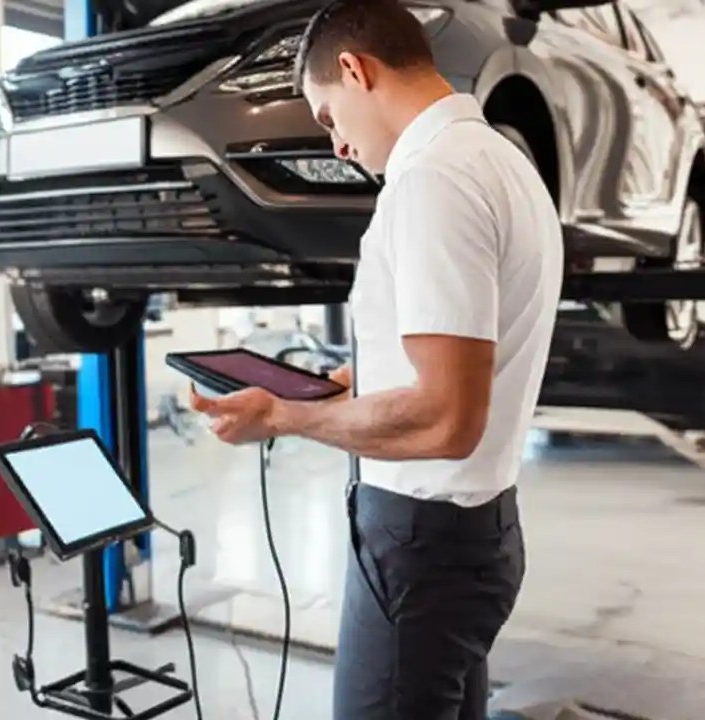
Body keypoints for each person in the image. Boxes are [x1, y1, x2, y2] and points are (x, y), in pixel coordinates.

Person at [190, 1, 564, 718]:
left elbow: (447, 417)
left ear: (355, 70)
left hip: (420, 545)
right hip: (469, 532)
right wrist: (341, 387)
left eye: (328, 116)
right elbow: (459, 353)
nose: (336, 145)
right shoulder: (501, 163)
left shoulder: (434, 180)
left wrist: (286, 416)